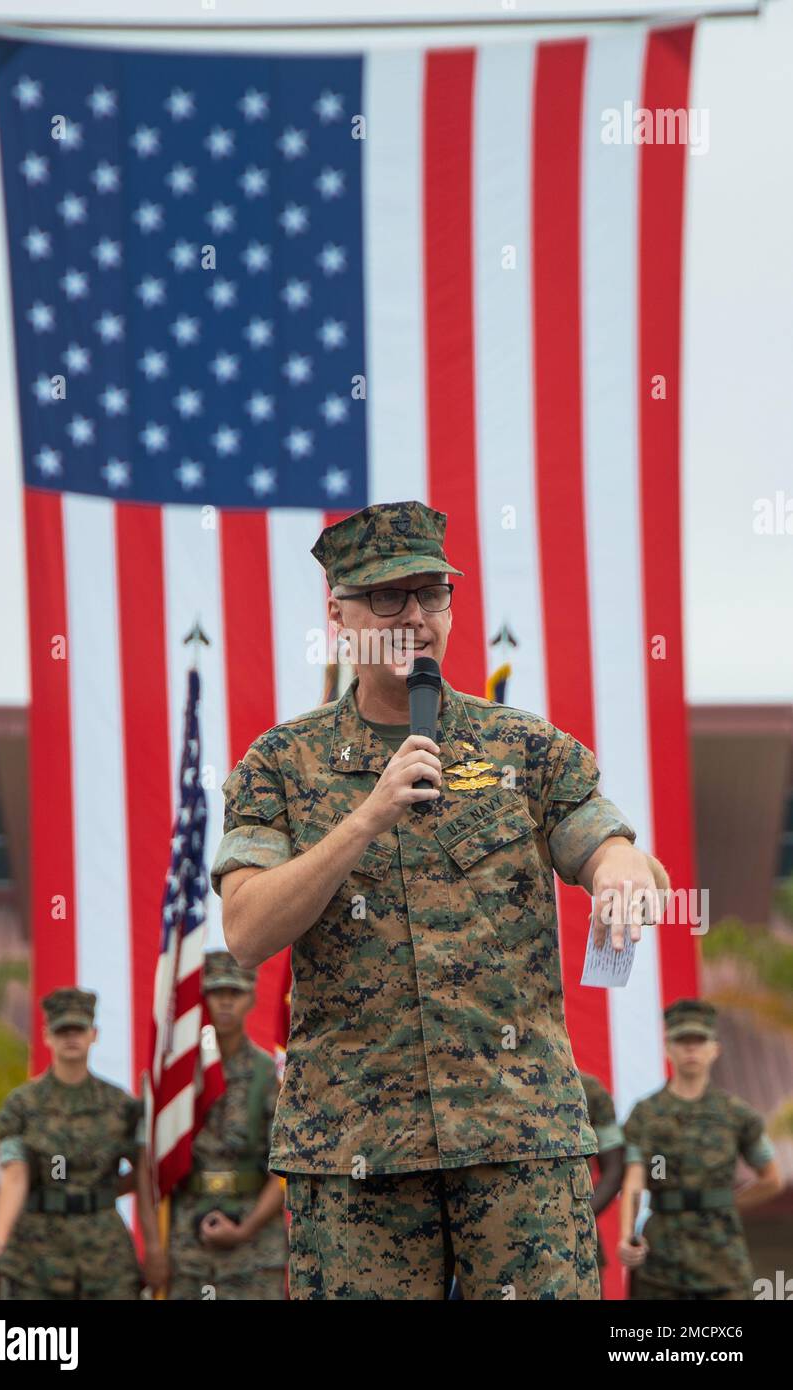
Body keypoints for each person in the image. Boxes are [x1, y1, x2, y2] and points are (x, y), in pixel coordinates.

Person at [211, 499, 662, 1301]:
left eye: (432, 593)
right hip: (356, 1153)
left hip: (517, 1140)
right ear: (339, 615)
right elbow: (245, 931)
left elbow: (598, 838)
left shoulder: (523, 745)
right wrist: (368, 814)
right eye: (388, 596)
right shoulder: (280, 764)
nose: (415, 616)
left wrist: (620, 867)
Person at [0, 987, 165, 1300]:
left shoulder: (122, 1107)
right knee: (47, 1347)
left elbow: (144, 1180)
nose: (70, 1037)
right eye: (61, 1030)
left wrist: (155, 1249)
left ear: (94, 1034)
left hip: (106, 1256)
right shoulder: (22, 1106)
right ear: (47, 1036)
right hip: (38, 1256)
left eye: (78, 1028)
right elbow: (14, 1175)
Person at [618, 998, 783, 1300]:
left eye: (699, 1040)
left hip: (721, 1256)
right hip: (662, 1259)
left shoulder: (737, 1114)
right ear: (668, 1047)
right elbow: (634, 1180)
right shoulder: (646, 1114)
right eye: (682, 1040)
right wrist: (627, 1235)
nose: (691, 1049)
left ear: (715, 1049)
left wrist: (727, 1204)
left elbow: (771, 1178)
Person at [167, 950, 287, 1300]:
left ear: (251, 998)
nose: (225, 1002)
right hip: (191, 1239)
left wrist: (244, 1229)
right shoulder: (181, 1079)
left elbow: (282, 1172)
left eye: (234, 993)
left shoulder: (267, 1077)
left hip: (255, 1244)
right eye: (217, 992)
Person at [579, 1072, 625, 1284]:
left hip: (576, 1245)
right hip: (500, 1243)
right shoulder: (488, 1078)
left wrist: (580, 1216)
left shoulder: (588, 1088)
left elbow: (614, 1170)